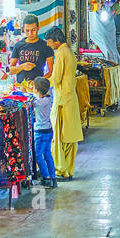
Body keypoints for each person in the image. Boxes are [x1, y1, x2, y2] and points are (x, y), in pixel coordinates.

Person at [46, 28, 83, 179]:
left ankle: (61, 169)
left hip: (62, 100)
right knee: (69, 136)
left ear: (56, 41)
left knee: (59, 136)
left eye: (49, 42)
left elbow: (55, 79)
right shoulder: (69, 51)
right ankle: (68, 168)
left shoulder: (60, 53)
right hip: (70, 98)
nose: (49, 45)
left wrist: (38, 83)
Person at [9, 14, 53, 84]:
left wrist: (37, 83)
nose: (30, 33)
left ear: (38, 28)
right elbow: (10, 70)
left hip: (38, 89)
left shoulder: (46, 46)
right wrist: (22, 66)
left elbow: (51, 71)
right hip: (20, 87)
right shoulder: (18, 45)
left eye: (33, 30)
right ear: (23, 29)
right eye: (27, 30)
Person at [32, 76, 57, 187]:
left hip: (41, 132)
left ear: (37, 90)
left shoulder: (40, 102)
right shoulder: (48, 98)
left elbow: (32, 103)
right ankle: (53, 177)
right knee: (47, 154)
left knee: (37, 155)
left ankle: (45, 177)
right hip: (48, 130)